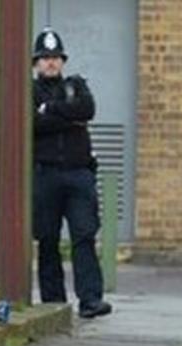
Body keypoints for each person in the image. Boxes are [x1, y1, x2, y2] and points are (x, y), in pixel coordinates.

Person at [31, 27, 111, 319]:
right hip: (45, 174)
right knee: (48, 239)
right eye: (44, 57)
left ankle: (90, 300)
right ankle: (54, 305)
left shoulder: (76, 85)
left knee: (84, 235)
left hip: (79, 174)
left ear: (63, 61)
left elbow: (86, 110)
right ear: (35, 63)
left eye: (55, 57)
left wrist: (49, 110)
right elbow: (33, 125)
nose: (50, 62)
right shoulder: (29, 91)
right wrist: (66, 115)